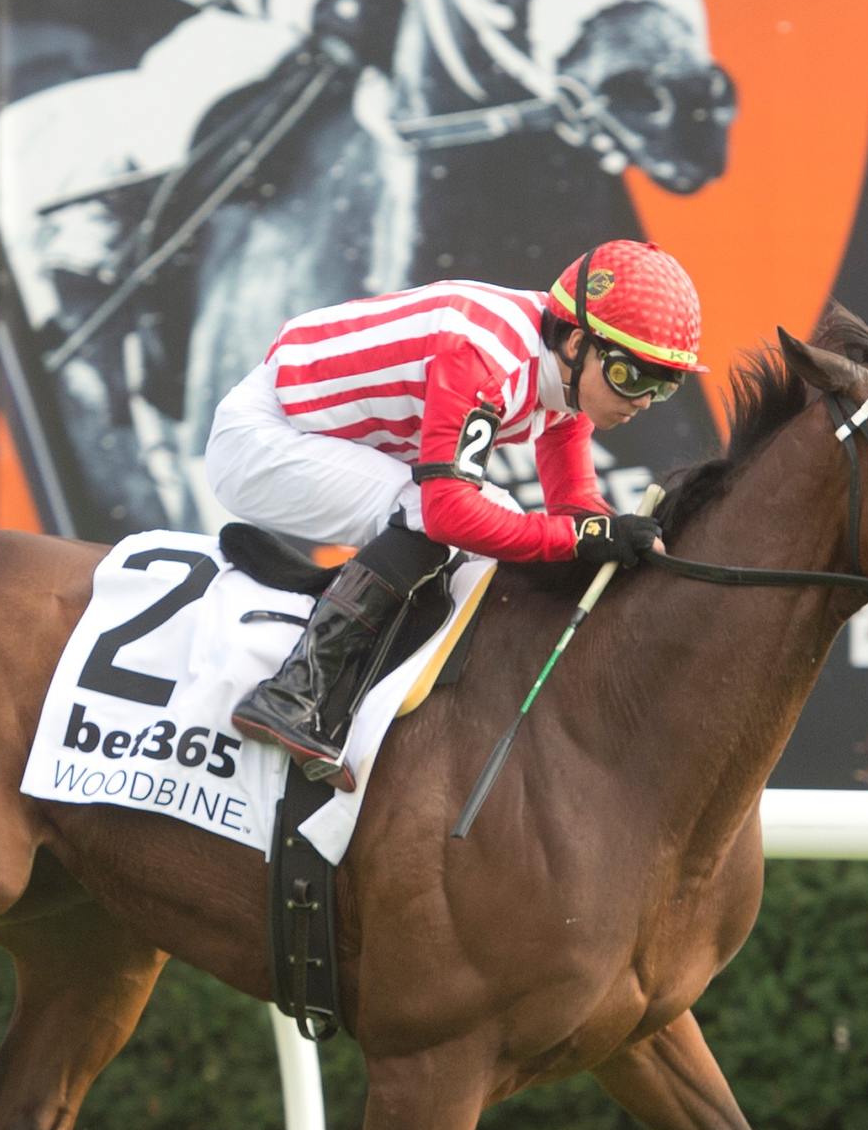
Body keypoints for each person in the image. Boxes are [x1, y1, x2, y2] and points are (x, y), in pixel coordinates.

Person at [208, 238, 702, 788]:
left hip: (332, 435)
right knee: (432, 513)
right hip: (263, 437)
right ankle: (294, 694)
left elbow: (574, 505)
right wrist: (581, 538)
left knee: (496, 516)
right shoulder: (486, 360)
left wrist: (616, 542)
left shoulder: (565, 373)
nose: (642, 401)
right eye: (631, 377)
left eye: (663, 387)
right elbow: (449, 515)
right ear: (578, 343)